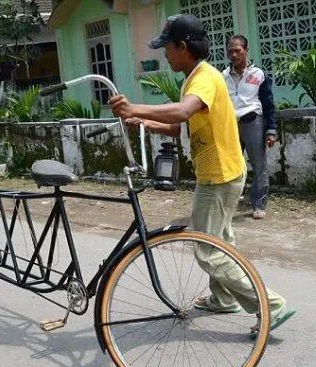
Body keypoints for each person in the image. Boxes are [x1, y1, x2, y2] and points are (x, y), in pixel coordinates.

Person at [108, 14, 294, 332]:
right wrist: (144, 122)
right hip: (216, 172)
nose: (164, 55)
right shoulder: (193, 78)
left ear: (183, 47)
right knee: (219, 240)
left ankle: (270, 304)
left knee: (208, 251)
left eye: (167, 48)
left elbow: (182, 111)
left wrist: (134, 107)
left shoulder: (204, 77)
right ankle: (223, 299)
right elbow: (177, 124)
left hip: (219, 176)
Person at [223, 35, 277, 220]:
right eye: (230, 51)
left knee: (258, 164)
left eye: (237, 50)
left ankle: (259, 204)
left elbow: (269, 104)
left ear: (246, 50)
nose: (234, 54)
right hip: (230, 124)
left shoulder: (258, 74)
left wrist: (271, 130)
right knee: (232, 166)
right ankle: (231, 204)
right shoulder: (223, 76)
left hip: (253, 122)